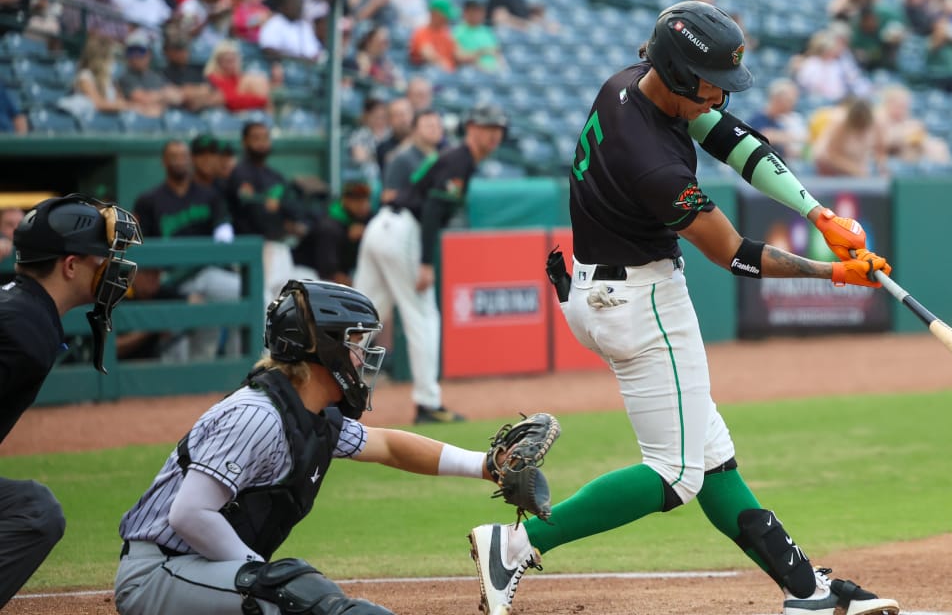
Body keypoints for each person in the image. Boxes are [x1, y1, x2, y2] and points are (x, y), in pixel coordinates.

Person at [467, 1, 899, 615]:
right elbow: (736, 254)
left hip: (605, 293)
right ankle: (516, 544)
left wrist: (818, 214)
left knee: (712, 458)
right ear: (675, 75)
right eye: (710, 85)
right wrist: (835, 273)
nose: (720, 97)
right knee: (675, 475)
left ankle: (807, 592)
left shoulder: (630, 85)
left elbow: (732, 140)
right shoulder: (653, 164)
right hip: (641, 303)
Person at [114, 279, 552, 615]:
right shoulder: (257, 415)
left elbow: (390, 447)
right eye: (356, 344)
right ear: (323, 349)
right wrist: (260, 576)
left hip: (203, 569)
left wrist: (487, 466)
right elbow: (188, 514)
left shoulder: (311, 415)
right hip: (159, 572)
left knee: (294, 588)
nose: (363, 358)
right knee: (300, 593)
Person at [1, 194, 141, 608]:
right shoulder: (24, 329)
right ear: (70, 265)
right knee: (36, 512)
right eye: (102, 258)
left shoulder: (22, 309)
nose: (112, 268)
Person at [353, 104, 507, 425]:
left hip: (381, 228)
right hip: (403, 232)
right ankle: (427, 402)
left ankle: (323, 390)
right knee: (423, 316)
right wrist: (426, 263)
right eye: (487, 128)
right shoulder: (460, 159)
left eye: (497, 130)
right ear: (471, 128)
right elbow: (433, 210)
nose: (494, 135)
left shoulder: (456, 158)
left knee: (363, 316)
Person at [133, 140, 242, 360]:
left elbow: (223, 228)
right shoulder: (149, 200)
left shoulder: (209, 196)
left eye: (183, 156)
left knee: (249, 294)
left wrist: (224, 230)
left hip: (206, 273)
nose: (179, 161)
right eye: (173, 156)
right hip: (171, 280)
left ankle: (243, 369)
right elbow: (140, 253)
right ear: (164, 161)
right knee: (176, 356)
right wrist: (174, 295)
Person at [226, 121, 307, 304]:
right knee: (262, 302)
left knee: (285, 303)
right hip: (253, 246)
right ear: (244, 142)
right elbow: (254, 211)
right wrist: (279, 213)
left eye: (265, 138)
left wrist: (280, 210)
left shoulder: (275, 176)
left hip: (279, 245)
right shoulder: (240, 173)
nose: (261, 143)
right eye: (255, 138)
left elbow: (295, 209)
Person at [293, 181, 374, 287]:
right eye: (357, 200)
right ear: (346, 200)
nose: (364, 205)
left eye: (365, 200)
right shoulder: (329, 226)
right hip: (307, 276)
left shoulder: (364, 219)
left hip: (335, 274)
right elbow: (330, 273)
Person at [379, 108, 442, 205]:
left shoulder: (443, 157)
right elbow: (388, 197)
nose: (435, 129)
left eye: (438, 126)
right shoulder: (401, 159)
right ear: (414, 130)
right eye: (429, 126)